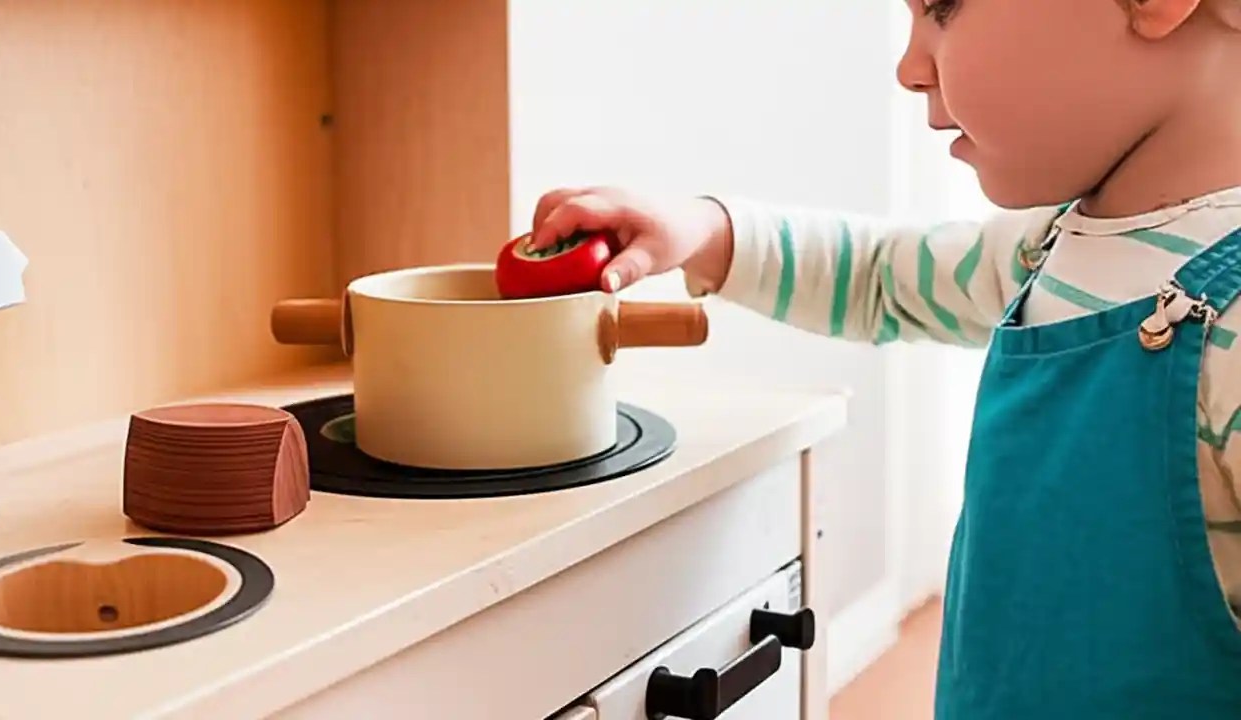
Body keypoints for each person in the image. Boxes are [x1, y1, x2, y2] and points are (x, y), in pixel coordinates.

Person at [526, 0, 1241, 716]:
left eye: (942, 8)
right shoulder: (1051, 242)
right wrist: (704, 230)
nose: (907, 68)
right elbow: (878, 276)